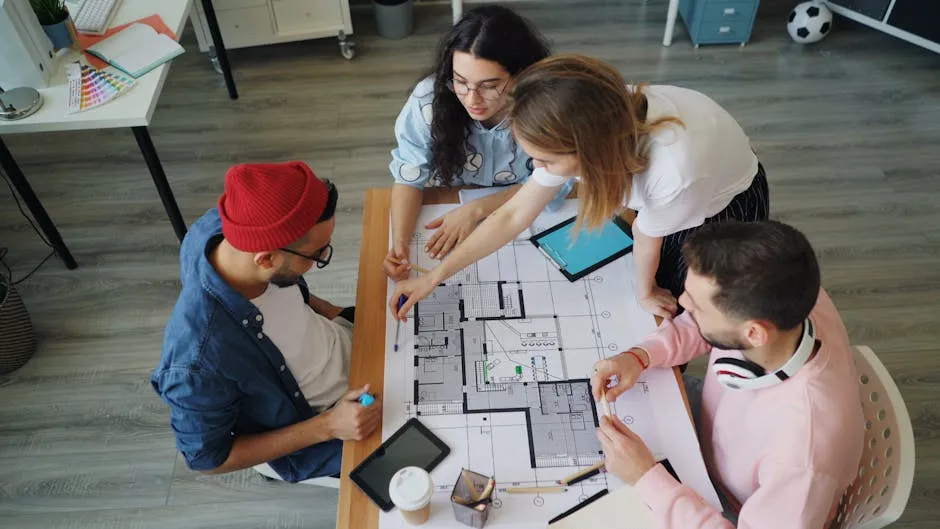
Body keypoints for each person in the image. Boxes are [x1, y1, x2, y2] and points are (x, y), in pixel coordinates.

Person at [388, 54, 768, 320]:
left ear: (586, 151)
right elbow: (513, 215)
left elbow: (647, 235)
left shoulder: (672, 172)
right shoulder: (581, 119)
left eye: (547, 161)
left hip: (721, 202)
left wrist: (645, 293)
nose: (537, 170)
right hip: (674, 178)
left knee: (685, 300)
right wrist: (433, 278)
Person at [592, 220, 864, 528]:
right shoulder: (786, 294)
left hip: (735, 507)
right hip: (711, 442)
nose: (681, 303)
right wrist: (640, 356)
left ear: (753, 333)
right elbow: (703, 327)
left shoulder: (802, 459)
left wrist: (645, 477)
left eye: (695, 307)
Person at [152, 161, 382, 483]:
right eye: (318, 254)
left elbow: (289, 301)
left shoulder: (224, 229)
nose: (322, 258)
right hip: (328, 418)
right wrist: (330, 425)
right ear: (266, 259)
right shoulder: (196, 362)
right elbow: (207, 458)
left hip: (348, 348)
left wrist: (335, 311)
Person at [384, 5, 569, 280]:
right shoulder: (429, 101)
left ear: (521, 75)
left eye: (490, 85)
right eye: (460, 82)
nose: (472, 100)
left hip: (526, 206)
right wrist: (399, 244)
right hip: (462, 200)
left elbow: (560, 180)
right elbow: (409, 173)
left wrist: (477, 210)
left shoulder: (548, 106)